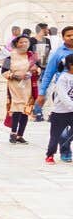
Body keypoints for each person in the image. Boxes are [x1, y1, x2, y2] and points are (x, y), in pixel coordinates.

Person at [35, 26, 73, 159]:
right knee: (61, 126)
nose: (71, 37)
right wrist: (41, 93)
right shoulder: (57, 53)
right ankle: (65, 151)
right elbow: (48, 74)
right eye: (68, 35)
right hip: (61, 93)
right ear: (63, 37)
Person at [3, 34, 36, 144]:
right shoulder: (10, 56)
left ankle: (20, 135)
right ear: (16, 43)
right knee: (16, 109)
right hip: (15, 86)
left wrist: (32, 72)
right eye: (21, 42)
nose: (24, 44)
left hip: (28, 86)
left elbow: (38, 69)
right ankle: (13, 133)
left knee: (25, 110)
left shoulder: (32, 56)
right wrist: (16, 77)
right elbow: (4, 71)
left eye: (26, 42)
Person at [43, 54, 73, 164]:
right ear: (70, 65)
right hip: (60, 113)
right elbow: (63, 96)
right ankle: (50, 155)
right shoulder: (63, 78)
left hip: (71, 112)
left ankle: (65, 143)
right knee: (54, 137)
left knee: (66, 136)